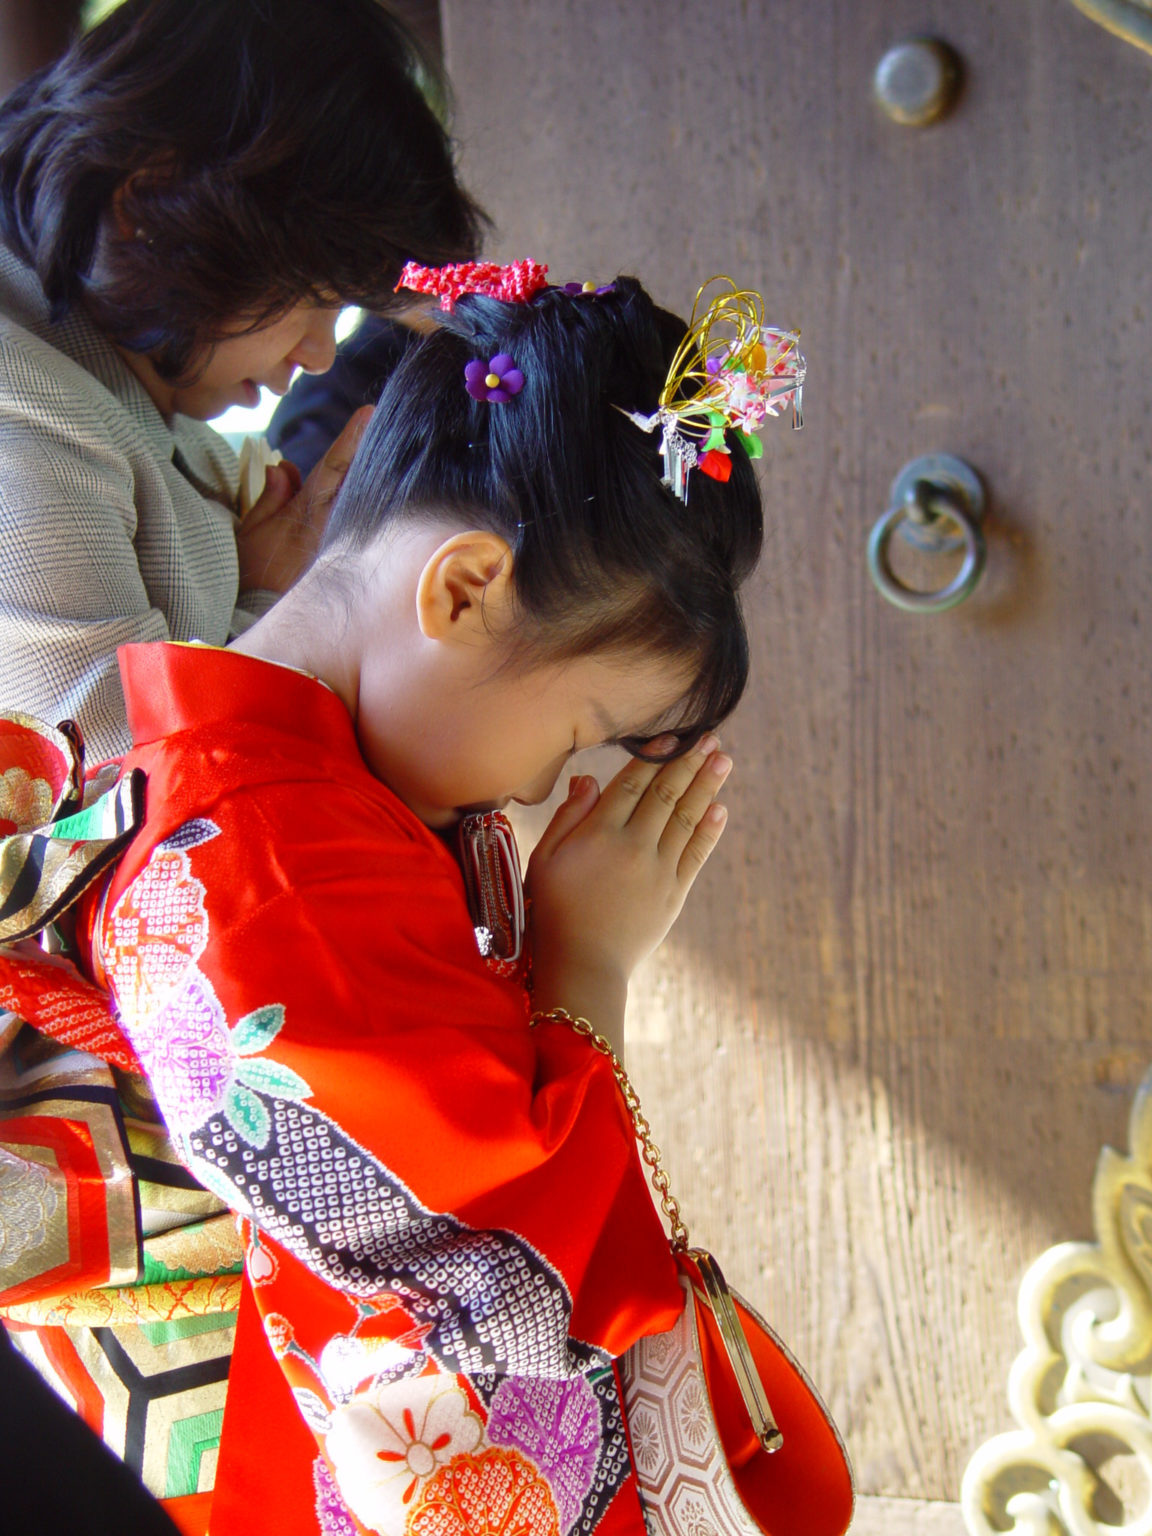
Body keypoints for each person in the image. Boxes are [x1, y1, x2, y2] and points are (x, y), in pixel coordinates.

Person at [0, 266, 802, 1533]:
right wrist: (586, 973)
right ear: (466, 589)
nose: (552, 778)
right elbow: (510, 1299)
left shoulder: (287, 801)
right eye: (585, 727)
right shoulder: (261, 867)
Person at [0, 0, 483, 763]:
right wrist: (274, 600)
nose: (320, 354)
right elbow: (135, 785)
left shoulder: (135, 370)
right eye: (313, 300)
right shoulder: (19, 409)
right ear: (151, 208)